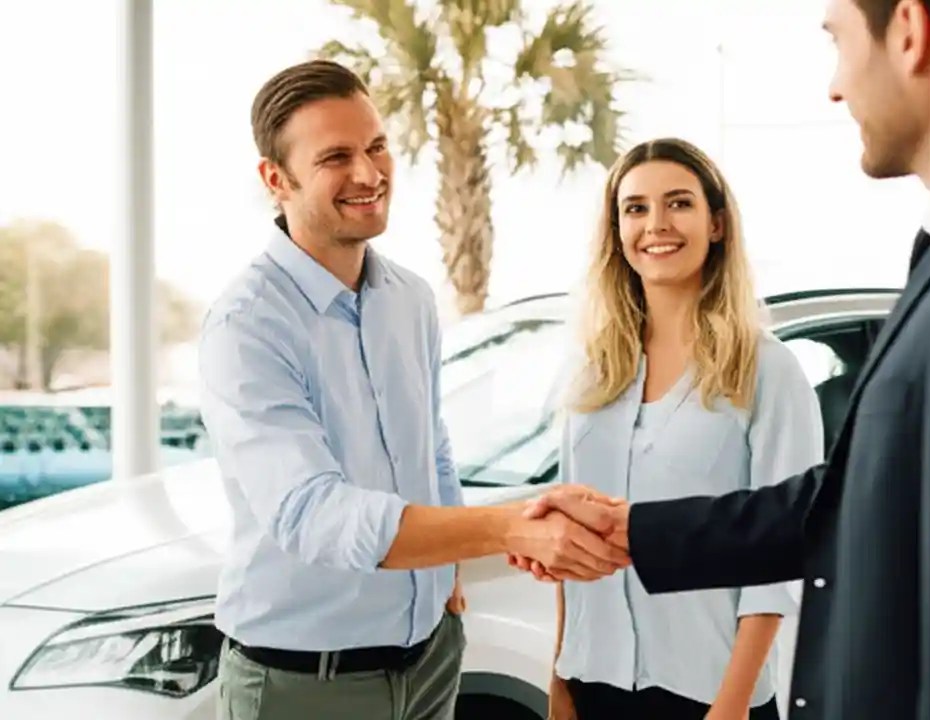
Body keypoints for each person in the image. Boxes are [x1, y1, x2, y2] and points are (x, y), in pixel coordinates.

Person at [517, 0, 930, 717]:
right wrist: (635, 530)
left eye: (838, 42)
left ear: (908, 31)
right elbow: (858, 494)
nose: (836, 85)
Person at [198, 59, 627, 720]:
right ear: (275, 179)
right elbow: (311, 512)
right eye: (336, 157)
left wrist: (445, 573)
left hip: (430, 662)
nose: (369, 174)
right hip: (305, 688)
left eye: (376, 147)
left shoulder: (410, 298)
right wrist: (507, 527)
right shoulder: (246, 323)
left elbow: (431, 446)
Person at [545, 138, 822, 720]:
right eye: (636, 208)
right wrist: (560, 677)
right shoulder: (590, 371)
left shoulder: (768, 369)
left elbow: (777, 561)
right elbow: (570, 540)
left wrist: (732, 705)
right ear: (616, 230)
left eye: (679, 204)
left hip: (710, 693)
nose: (656, 225)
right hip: (595, 681)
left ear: (716, 224)